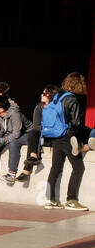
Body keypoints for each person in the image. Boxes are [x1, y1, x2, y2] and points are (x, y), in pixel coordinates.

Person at [41, 72, 88, 211]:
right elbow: (76, 122)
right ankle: (72, 200)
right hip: (67, 136)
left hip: (55, 136)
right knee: (79, 167)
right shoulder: (72, 99)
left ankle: (50, 199)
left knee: (55, 167)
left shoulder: (57, 96)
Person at [16, 86, 55, 182]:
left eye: (45, 93)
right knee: (33, 133)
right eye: (42, 93)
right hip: (42, 135)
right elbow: (36, 126)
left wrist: (47, 129)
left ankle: (26, 170)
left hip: (53, 137)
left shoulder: (57, 109)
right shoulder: (39, 108)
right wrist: (46, 129)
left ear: (52, 96)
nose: (42, 95)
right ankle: (33, 156)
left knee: (35, 136)